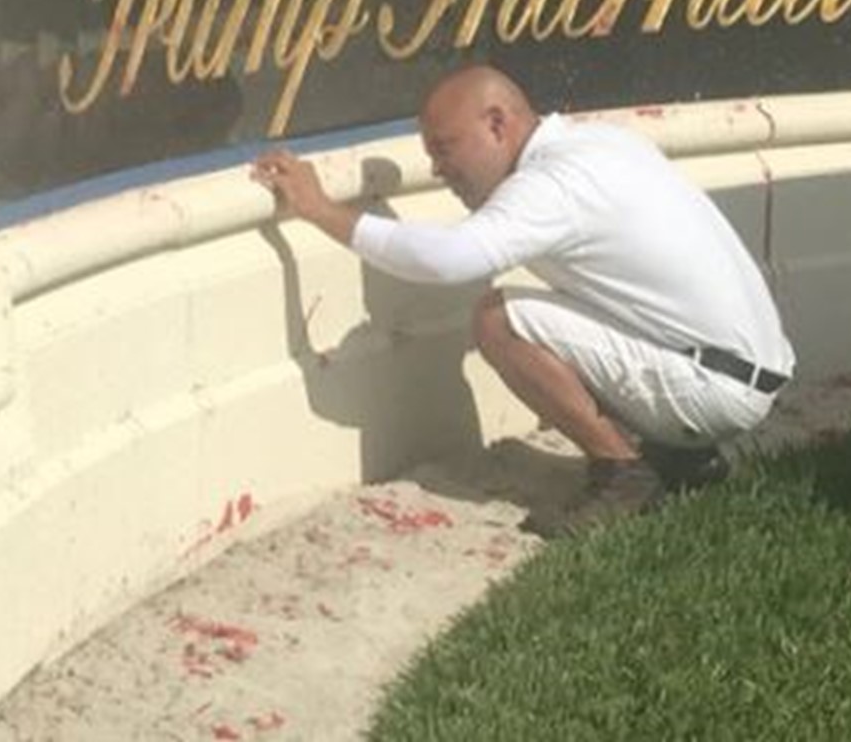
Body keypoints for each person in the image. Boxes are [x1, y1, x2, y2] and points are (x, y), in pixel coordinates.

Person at [251, 65, 795, 536]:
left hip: (715, 386)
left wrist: (320, 209)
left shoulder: (552, 184)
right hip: (741, 369)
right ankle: (682, 454)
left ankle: (624, 473)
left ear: (497, 123)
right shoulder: (602, 142)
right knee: (549, 302)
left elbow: (450, 260)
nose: (439, 169)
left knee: (498, 319)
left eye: (445, 148)